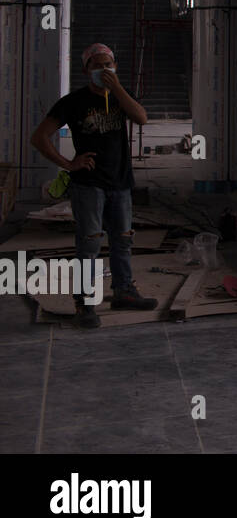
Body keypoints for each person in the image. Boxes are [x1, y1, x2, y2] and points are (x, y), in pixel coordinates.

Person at [30, 43, 157, 328]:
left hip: (120, 181)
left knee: (123, 239)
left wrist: (118, 88)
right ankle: (85, 303)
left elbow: (141, 118)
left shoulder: (121, 98)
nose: (104, 70)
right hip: (88, 185)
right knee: (89, 244)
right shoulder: (73, 102)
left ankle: (124, 291)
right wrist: (68, 163)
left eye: (108, 64)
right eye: (97, 65)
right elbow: (39, 137)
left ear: (115, 67)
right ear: (86, 70)